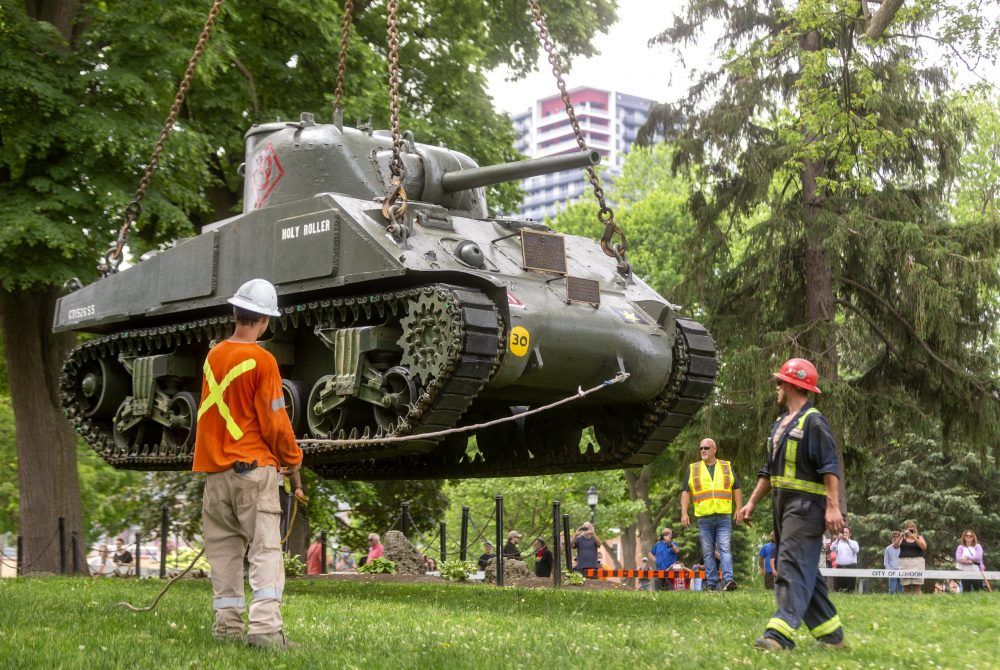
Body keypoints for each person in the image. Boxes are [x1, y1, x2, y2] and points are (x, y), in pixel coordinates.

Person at [193, 279, 303, 649]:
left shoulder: (213, 356)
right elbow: (275, 420)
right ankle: (266, 630)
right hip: (253, 471)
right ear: (266, 320)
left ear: (235, 312)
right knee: (265, 551)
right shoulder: (263, 361)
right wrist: (292, 459)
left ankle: (227, 630)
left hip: (215, 475)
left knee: (224, 555)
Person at [736, 358, 845, 651]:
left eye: (780, 382)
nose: (777, 387)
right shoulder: (779, 425)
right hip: (782, 507)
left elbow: (830, 467)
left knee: (790, 565)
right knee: (805, 569)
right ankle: (832, 636)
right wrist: (751, 503)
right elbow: (768, 472)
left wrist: (833, 506)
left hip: (806, 508)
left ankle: (779, 635)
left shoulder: (814, 422)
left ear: (792, 385)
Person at [681, 438, 742, 591]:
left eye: (706, 448)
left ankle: (728, 580)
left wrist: (739, 509)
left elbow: (736, 488)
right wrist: (684, 512)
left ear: (714, 449)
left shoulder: (726, 466)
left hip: (723, 516)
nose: (703, 450)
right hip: (704, 517)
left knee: (724, 548)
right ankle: (712, 584)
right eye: (700, 448)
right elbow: (686, 492)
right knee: (708, 552)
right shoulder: (694, 468)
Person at [894, 520, 927, 594]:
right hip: (904, 563)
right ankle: (907, 601)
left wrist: (914, 537)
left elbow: (924, 547)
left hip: (917, 563)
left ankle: (917, 601)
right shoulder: (902, 538)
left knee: (917, 587)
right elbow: (895, 546)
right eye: (907, 527)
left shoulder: (919, 537)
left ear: (915, 529)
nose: (909, 529)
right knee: (906, 587)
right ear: (905, 529)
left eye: (911, 527)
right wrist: (900, 536)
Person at [831, 527, 860, 592]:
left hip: (851, 567)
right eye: (843, 532)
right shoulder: (838, 543)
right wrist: (837, 540)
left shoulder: (854, 542)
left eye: (846, 532)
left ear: (850, 534)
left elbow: (856, 550)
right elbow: (831, 548)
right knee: (840, 589)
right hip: (840, 567)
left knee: (850, 589)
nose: (844, 534)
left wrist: (848, 541)